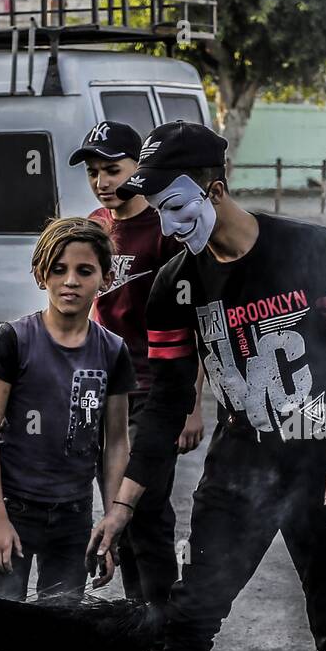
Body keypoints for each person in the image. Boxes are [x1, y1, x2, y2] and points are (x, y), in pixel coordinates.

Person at [87, 122, 326, 651]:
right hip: (241, 462)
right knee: (189, 621)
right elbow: (162, 408)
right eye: (155, 208)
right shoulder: (174, 285)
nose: (168, 222)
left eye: (177, 204)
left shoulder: (306, 247)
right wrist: (125, 501)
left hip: (320, 456)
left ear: (215, 188)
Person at [70, 120, 205, 619]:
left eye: (113, 169)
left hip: (156, 387)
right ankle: (135, 618)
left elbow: (195, 325)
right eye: (93, 172)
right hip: (104, 390)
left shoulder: (166, 230)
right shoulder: (93, 227)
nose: (102, 181)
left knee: (146, 506)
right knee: (114, 504)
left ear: (139, 168)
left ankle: (162, 625)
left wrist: (190, 406)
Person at [0, 217, 137, 604]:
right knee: (1, 623)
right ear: (40, 275)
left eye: (85, 271)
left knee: (60, 626)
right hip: (15, 509)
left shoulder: (113, 352)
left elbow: (116, 443)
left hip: (73, 517)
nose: (71, 281)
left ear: (106, 278)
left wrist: (111, 524)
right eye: (58, 270)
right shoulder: (14, 341)